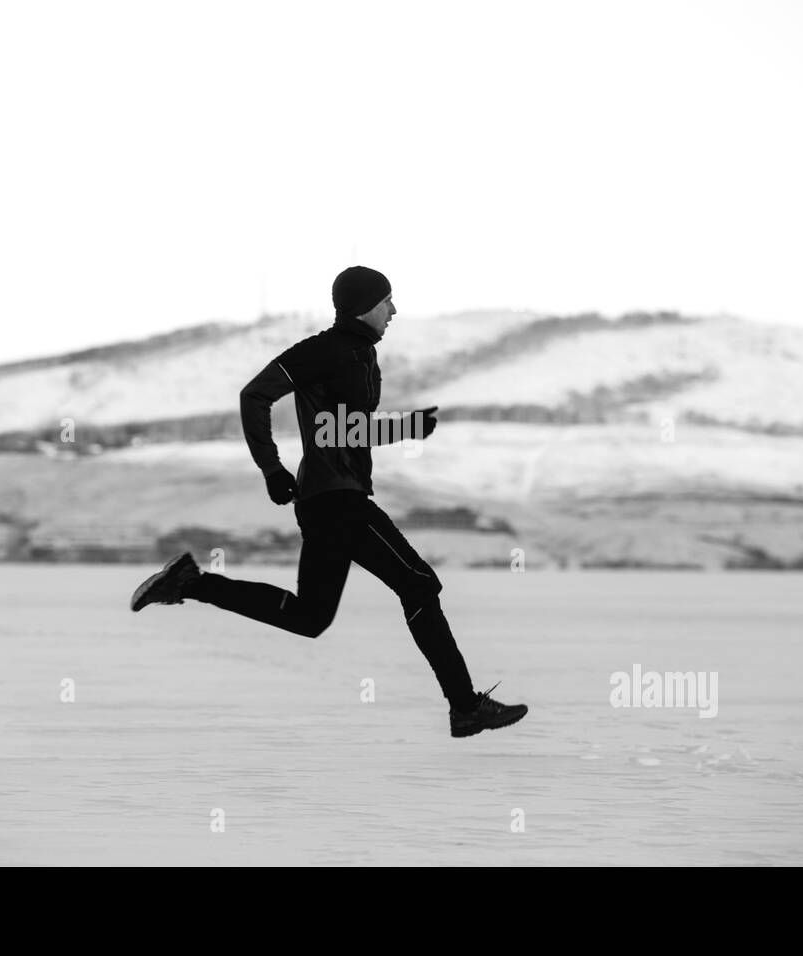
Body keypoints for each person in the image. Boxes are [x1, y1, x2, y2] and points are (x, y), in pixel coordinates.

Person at [130, 266, 527, 738]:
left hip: (330, 498)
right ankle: (464, 707)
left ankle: (191, 583)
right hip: (337, 499)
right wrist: (271, 468)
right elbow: (253, 395)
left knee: (310, 617)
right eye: (386, 302)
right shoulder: (322, 350)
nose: (394, 311)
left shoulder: (362, 357)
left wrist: (403, 428)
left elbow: (338, 431)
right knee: (419, 585)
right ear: (364, 305)